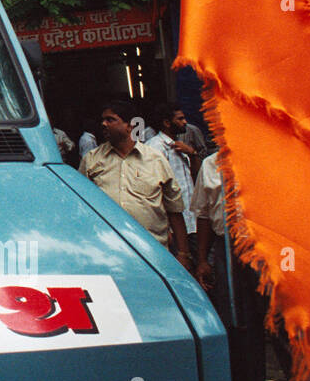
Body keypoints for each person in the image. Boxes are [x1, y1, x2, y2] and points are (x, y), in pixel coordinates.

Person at [78, 99, 193, 268]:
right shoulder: (92, 160)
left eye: (110, 119)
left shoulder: (155, 159)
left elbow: (174, 210)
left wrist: (183, 254)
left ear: (130, 126)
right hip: (108, 254)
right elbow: (81, 208)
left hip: (153, 255)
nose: (103, 124)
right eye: (102, 120)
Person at [145, 102, 200, 238]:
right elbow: (154, 188)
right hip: (173, 226)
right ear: (167, 123)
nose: (185, 122)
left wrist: (192, 153)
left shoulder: (180, 147)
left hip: (191, 221)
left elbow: (196, 176)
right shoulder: (155, 147)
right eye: (180, 119)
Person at [191, 149, 231, 321]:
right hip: (225, 247)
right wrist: (202, 260)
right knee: (228, 306)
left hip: (261, 249)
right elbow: (204, 215)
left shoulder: (264, 160)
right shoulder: (210, 164)